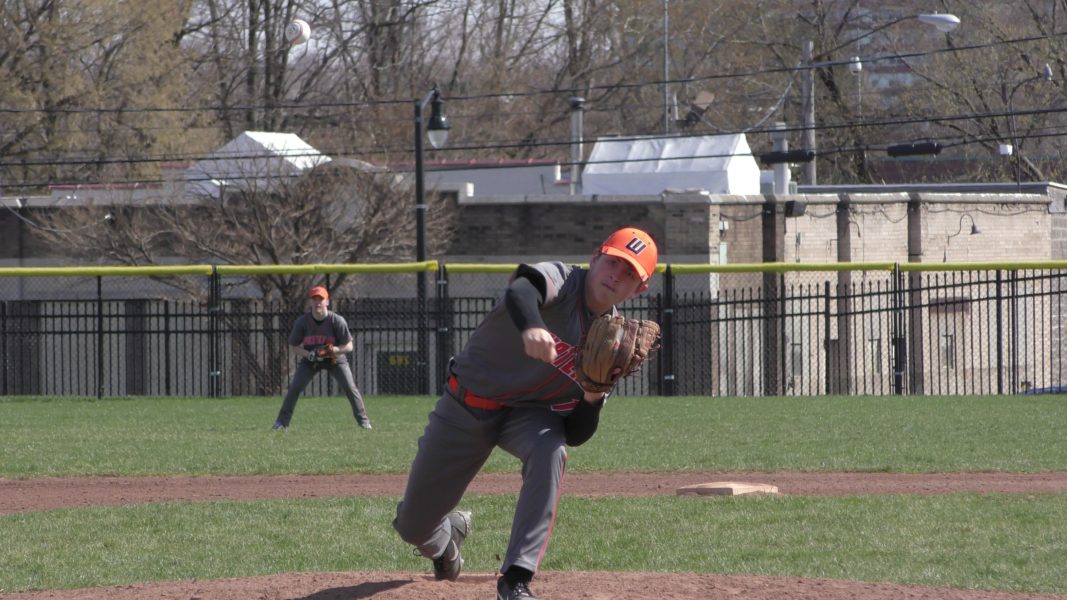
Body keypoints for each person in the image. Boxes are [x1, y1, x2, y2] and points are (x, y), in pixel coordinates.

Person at [392, 227, 658, 600]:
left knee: (552, 450)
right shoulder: (563, 280)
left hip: (529, 416)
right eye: (613, 262)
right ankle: (445, 539)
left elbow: (576, 434)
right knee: (412, 527)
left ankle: (515, 578)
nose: (616, 275)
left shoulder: (614, 342)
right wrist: (532, 324)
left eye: (630, 273)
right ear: (595, 258)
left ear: (639, 290)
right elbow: (521, 288)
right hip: (469, 404)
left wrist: (594, 394)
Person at [272, 285, 372, 430]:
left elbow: (349, 346)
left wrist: (331, 351)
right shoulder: (302, 322)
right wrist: (309, 355)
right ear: (310, 302)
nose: (318, 302)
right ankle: (281, 422)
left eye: (321, 299)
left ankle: (363, 421)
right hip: (311, 360)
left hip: (335, 359)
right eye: (315, 299)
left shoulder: (337, 321)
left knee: (350, 388)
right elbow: (294, 346)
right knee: (294, 388)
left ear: (327, 302)